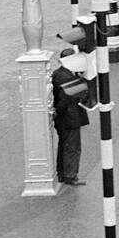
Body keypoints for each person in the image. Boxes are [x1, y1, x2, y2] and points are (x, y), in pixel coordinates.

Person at [51, 46, 90, 186]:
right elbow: (71, 98)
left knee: (63, 145)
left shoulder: (57, 74)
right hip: (70, 118)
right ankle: (71, 175)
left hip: (63, 119)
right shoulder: (69, 78)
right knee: (72, 148)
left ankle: (62, 173)